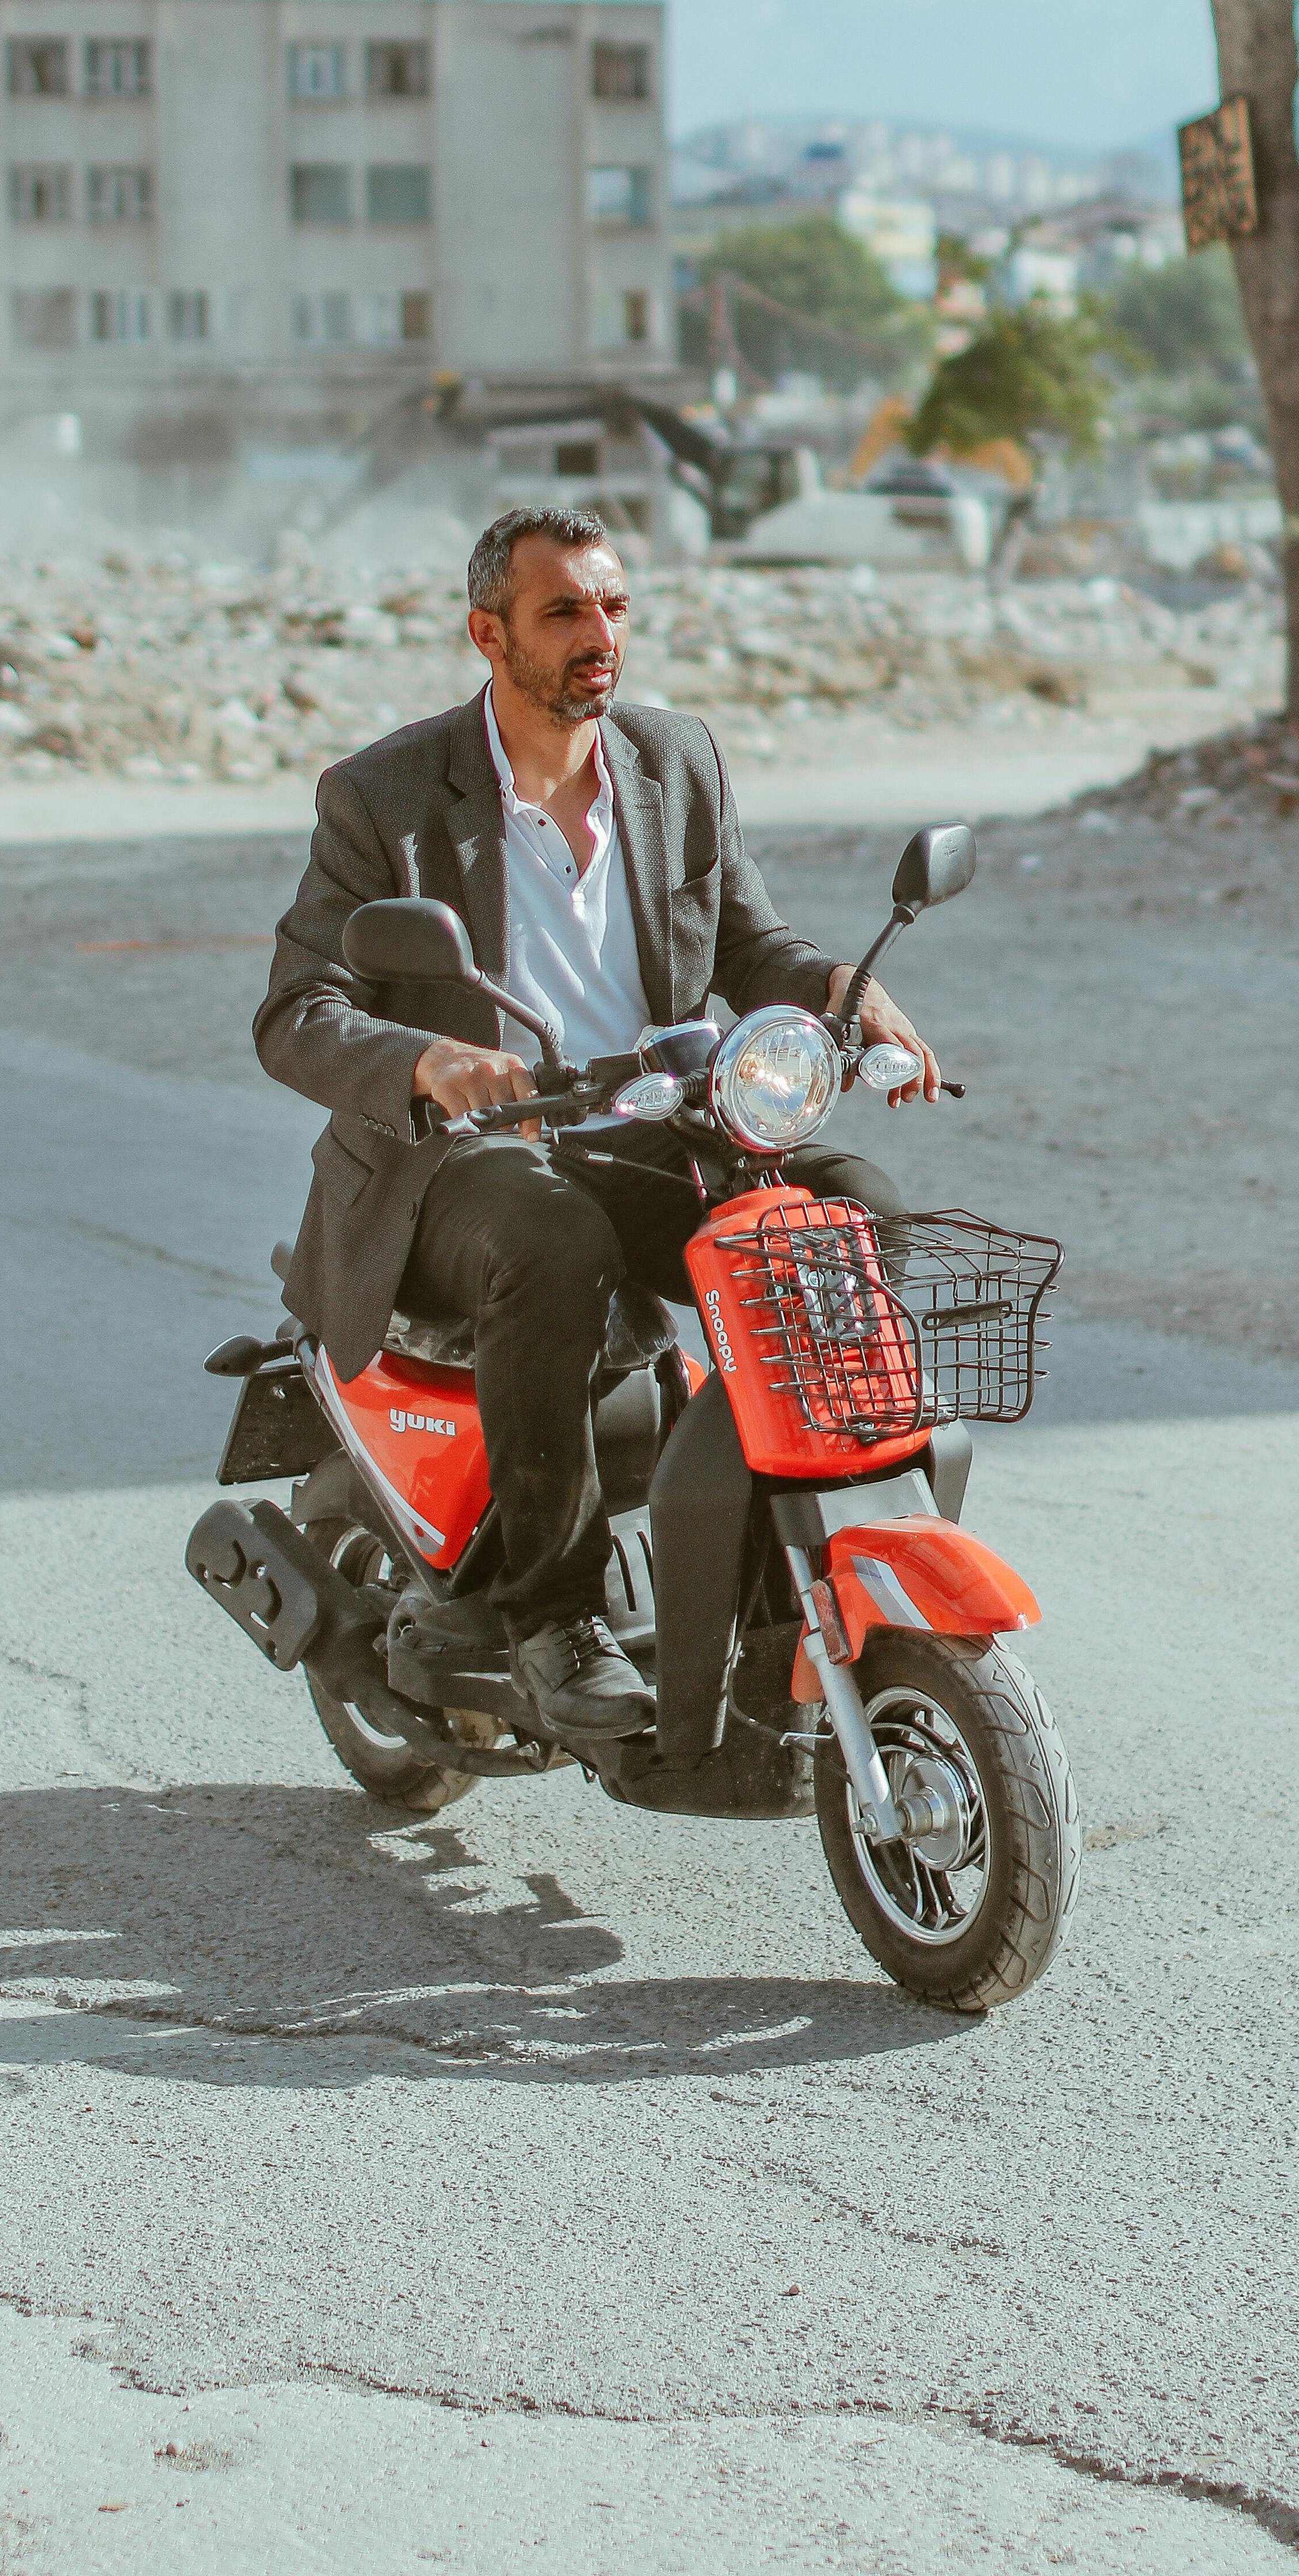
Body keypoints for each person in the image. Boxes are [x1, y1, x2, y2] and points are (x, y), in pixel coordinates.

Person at [255, 508, 941, 1743]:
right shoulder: (384, 796)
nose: (600, 635)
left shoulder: (674, 759)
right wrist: (429, 1061)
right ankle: (554, 1617)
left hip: (651, 1121)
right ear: (490, 634)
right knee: (551, 1237)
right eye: (565, 610)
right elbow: (297, 1014)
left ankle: (775, 1568)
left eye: (614, 606)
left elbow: (748, 944)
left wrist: (842, 987)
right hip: (462, 1159)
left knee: (851, 1210)